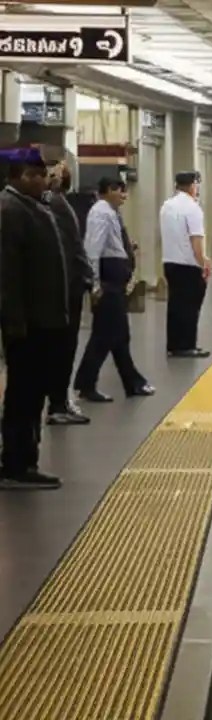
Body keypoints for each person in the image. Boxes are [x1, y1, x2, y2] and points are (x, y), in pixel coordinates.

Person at [0, 147, 67, 488]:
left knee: (33, 392)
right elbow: (8, 276)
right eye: (32, 175)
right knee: (23, 395)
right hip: (28, 324)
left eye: (42, 174)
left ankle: (26, 458)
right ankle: (16, 464)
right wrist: (16, 325)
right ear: (14, 178)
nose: (41, 180)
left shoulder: (33, 206)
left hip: (44, 319)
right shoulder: (10, 211)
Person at [75, 178, 154, 402]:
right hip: (108, 283)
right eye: (121, 191)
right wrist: (96, 284)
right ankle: (87, 383)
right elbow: (93, 249)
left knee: (119, 335)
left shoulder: (109, 212)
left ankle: (131, 382)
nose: (125, 195)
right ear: (109, 190)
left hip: (114, 282)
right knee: (105, 335)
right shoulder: (102, 212)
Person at [46, 162, 94, 425]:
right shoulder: (54, 204)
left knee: (63, 348)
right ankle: (58, 404)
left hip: (68, 286)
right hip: (66, 288)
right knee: (62, 348)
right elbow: (71, 248)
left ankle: (60, 401)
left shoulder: (57, 203)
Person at [160, 171, 211, 357]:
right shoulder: (192, 208)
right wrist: (203, 262)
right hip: (188, 264)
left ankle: (174, 344)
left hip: (170, 262)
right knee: (190, 306)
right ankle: (187, 345)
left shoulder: (167, 206)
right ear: (192, 186)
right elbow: (196, 239)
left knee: (175, 305)